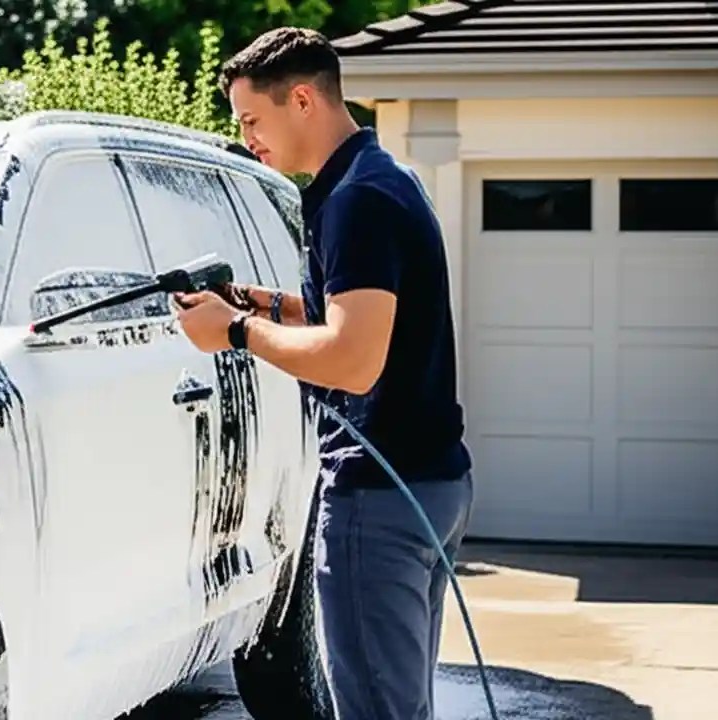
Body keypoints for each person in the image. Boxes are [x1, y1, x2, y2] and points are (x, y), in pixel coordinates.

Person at [174, 27, 475, 720]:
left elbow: (353, 360)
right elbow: (367, 316)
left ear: (302, 99)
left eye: (252, 120)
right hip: (431, 484)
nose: (249, 138)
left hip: (380, 498)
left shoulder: (356, 203)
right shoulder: (381, 178)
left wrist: (235, 331)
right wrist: (267, 302)